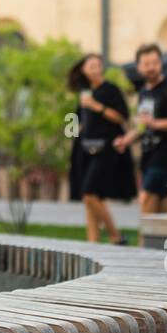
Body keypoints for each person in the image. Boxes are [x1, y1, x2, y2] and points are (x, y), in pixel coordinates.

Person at [114, 44, 167, 215]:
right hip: (149, 156)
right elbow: (142, 125)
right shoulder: (144, 92)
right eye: (146, 64)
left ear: (161, 63)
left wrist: (155, 124)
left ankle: (143, 241)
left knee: (146, 198)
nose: (151, 67)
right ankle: (160, 241)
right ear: (139, 67)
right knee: (161, 204)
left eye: (155, 62)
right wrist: (126, 140)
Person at [67, 53, 133, 245]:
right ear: (84, 70)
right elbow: (74, 120)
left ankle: (115, 235)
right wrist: (69, 128)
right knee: (90, 197)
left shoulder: (110, 90)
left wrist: (97, 106)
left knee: (89, 192)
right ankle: (93, 242)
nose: (94, 69)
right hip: (85, 149)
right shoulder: (84, 93)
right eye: (90, 66)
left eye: (97, 65)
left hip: (107, 148)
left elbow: (122, 117)